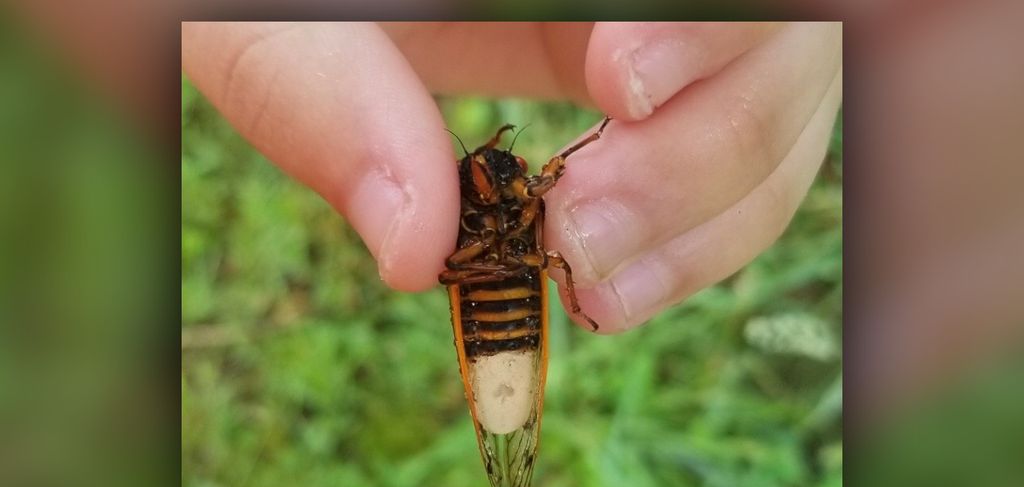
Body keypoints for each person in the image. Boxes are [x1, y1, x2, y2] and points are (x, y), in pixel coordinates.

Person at [182, 22, 842, 333]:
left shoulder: (528, 196)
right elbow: (454, 259)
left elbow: (546, 188)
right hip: (505, 290)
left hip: (506, 287)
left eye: (509, 169)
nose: (504, 174)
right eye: (491, 169)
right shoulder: (505, 205)